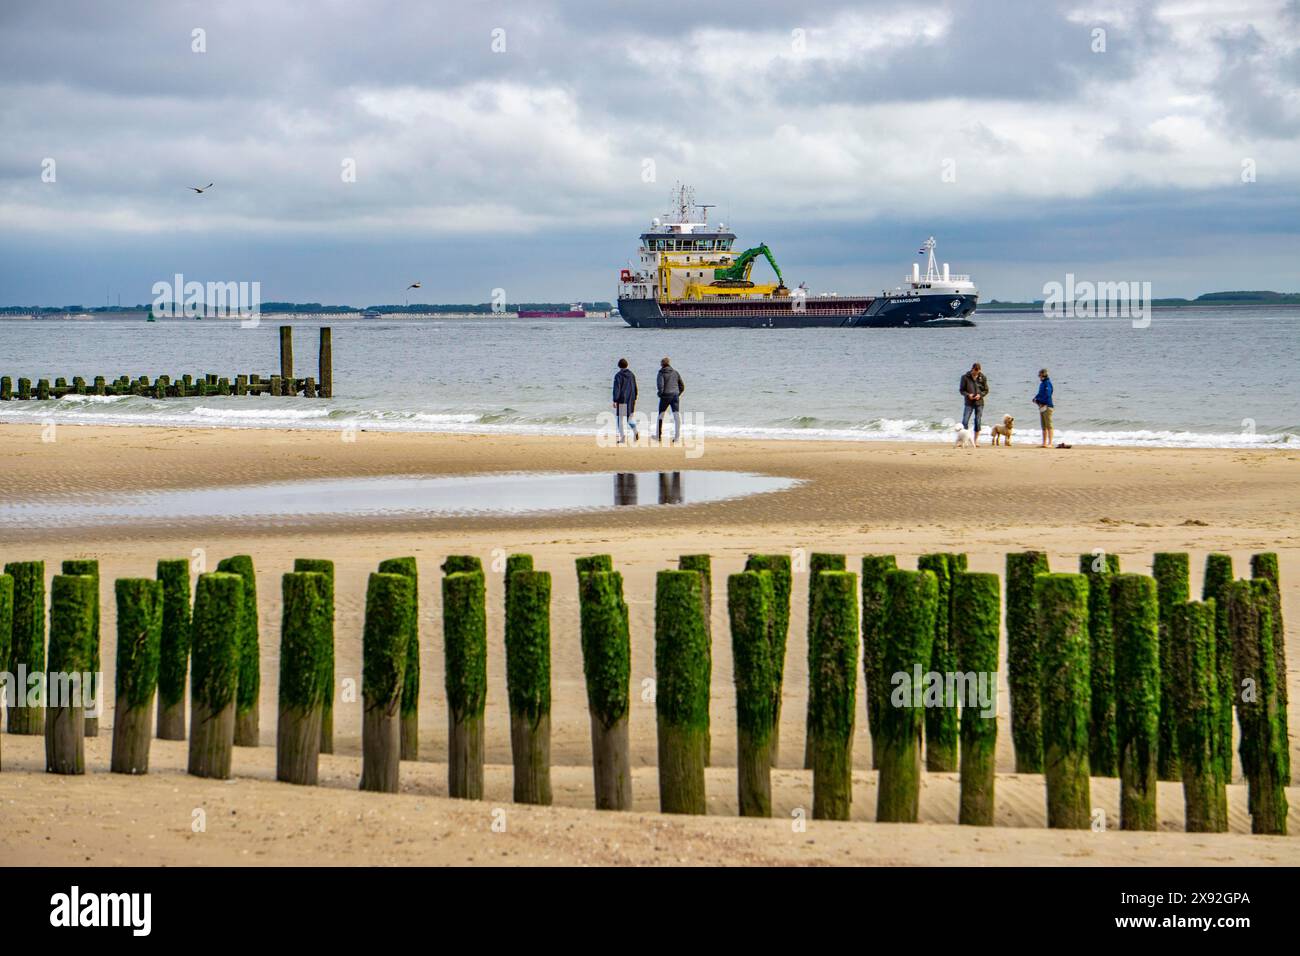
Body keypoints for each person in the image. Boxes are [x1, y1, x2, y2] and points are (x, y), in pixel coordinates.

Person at [958, 361, 989, 444]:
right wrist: (968, 395)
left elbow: (986, 390)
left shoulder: (982, 377)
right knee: (965, 421)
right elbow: (961, 390)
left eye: (978, 372)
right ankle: (964, 440)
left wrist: (980, 395)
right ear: (972, 369)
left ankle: (975, 441)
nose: (976, 373)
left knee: (977, 421)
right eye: (975, 371)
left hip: (979, 403)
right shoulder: (965, 377)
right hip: (969, 402)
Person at [656, 356, 685, 443]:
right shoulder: (675, 372)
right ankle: (677, 437)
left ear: (662, 364)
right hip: (675, 395)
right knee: (676, 416)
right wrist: (677, 394)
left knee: (661, 415)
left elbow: (660, 386)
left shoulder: (661, 373)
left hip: (665, 396)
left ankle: (658, 436)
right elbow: (682, 386)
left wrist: (660, 394)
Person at [611, 358, 638, 444]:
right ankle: (635, 431)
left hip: (622, 400)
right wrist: (635, 397)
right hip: (631, 399)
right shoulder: (632, 375)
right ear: (627, 365)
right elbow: (635, 387)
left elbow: (617, 388)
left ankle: (622, 438)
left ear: (619, 366)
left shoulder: (618, 375)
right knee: (629, 419)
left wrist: (615, 400)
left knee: (620, 420)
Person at [1033, 367, 1054, 448]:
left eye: (1040, 375)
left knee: (1049, 425)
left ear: (1043, 375)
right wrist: (1035, 399)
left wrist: (1041, 401)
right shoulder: (1042, 384)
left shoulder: (1047, 383)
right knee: (1043, 426)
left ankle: (1050, 443)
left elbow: (1048, 395)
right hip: (1041, 406)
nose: (1039, 377)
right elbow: (1040, 394)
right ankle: (1044, 443)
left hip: (1047, 406)